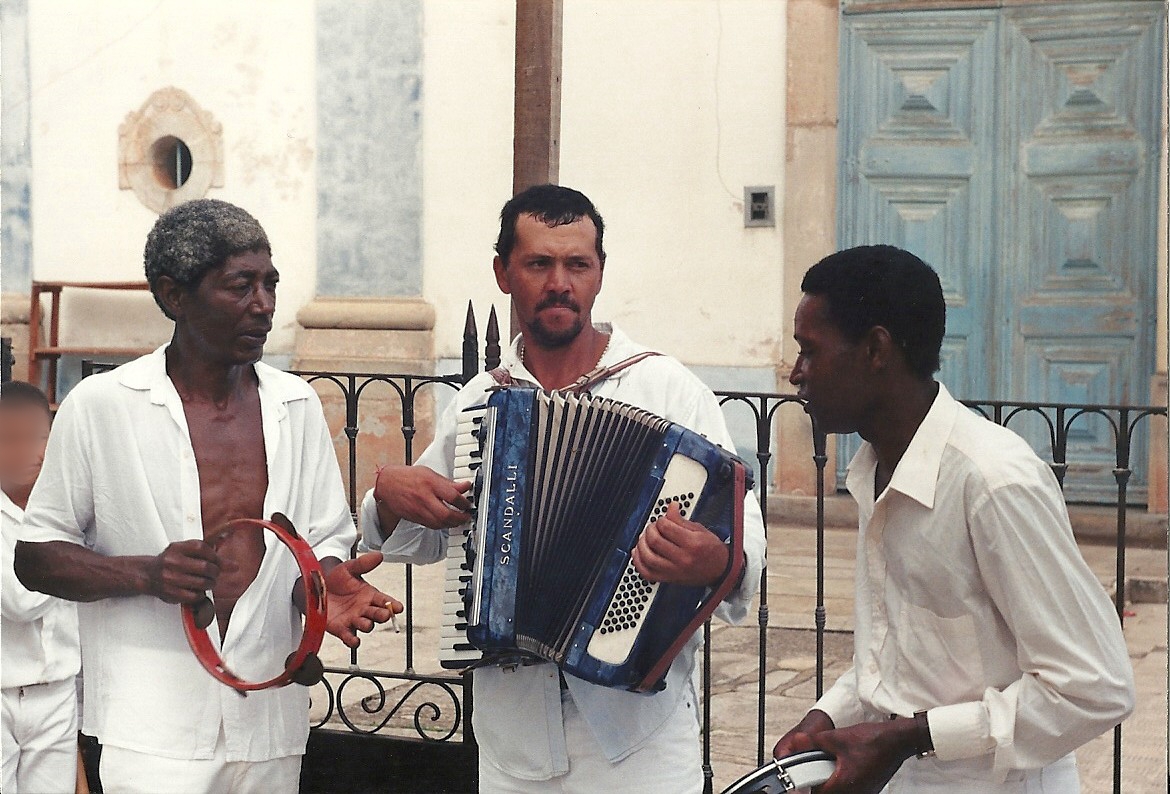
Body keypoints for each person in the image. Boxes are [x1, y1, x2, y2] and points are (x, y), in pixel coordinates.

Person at [360, 184, 767, 792]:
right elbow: (415, 540)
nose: (560, 282)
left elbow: (745, 542)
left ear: (599, 273)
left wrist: (715, 560)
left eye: (578, 264)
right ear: (503, 273)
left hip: (638, 742)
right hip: (512, 741)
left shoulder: (667, 390)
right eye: (538, 264)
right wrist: (387, 498)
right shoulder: (480, 403)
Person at [14, 199, 403, 794]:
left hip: (269, 713)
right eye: (240, 286)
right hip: (151, 726)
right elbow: (34, 555)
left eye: (270, 284)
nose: (264, 305)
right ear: (175, 296)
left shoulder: (295, 407)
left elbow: (321, 539)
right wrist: (145, 574)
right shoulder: (103, 406)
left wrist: (320, 586)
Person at [771, 245, 1135, 792]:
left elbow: (1095, 686)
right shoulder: (873, 470)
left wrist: (911, 737)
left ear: (875, 349)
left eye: (810, 351)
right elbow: (904, 655)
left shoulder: (993, 482)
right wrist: (831, 716)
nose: (796, 374)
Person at [1, 380, 82, 793]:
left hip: (57, 692)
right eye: (8, 440)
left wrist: (79, 566)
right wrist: (77, 565)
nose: (25, 451)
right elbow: (18, 600)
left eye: (36, 437)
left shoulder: (66, 512)